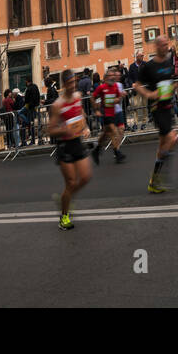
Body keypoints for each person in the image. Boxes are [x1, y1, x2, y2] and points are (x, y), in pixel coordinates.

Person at [134, 37, 178, 193]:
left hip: (168, 107)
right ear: (156, 46)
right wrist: (149, 94)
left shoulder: (168, 62)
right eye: (162, 45)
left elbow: (171, 82)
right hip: (157, 109)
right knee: (172, 137)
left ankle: (154, 181)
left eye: (166, 45)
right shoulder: (149, 66)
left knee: (163, 147)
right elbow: (137, 85)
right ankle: (164, 176)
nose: (165, 47)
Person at [50, 69, 93, 231]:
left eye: (74, 82)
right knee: (71, 182)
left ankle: (64, 200)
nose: (73, 85)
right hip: (64, 145)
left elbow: (81, 114)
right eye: (69, 83)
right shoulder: (57, 105)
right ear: (63, 84)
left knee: (86, 177)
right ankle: (64, 217)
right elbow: (50, 130)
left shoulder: (78, 97)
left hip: (77, 141)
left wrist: (86, 127)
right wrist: (63, 130)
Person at [92, 67, 129, 164]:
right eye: (111, 77)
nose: (113, 79)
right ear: (106, 78)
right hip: (105, 114)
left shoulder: (115, 87)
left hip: (113, 113)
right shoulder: (102, 87)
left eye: (114, 77)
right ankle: (117, 153)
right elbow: (92, 97)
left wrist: (121, 96)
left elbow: (117, 101)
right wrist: (96, 110)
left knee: (105, 135)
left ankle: (96, 150)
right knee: (115, 132)